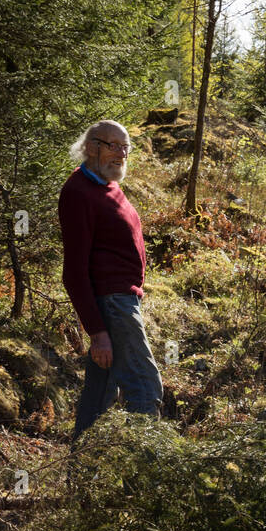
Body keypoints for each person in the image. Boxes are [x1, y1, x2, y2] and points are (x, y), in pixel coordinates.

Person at [58, 120, 162, 441]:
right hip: (113, 305)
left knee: (100, 394)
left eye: (125, 147)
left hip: (121, 302)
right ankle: (147, 473)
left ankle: (85, 476)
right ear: (92, 147)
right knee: (144, 385)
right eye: (114, 145)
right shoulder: (78, 192)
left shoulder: (106, 184)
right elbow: (74, 272)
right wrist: (98, 332)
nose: (122, 153)